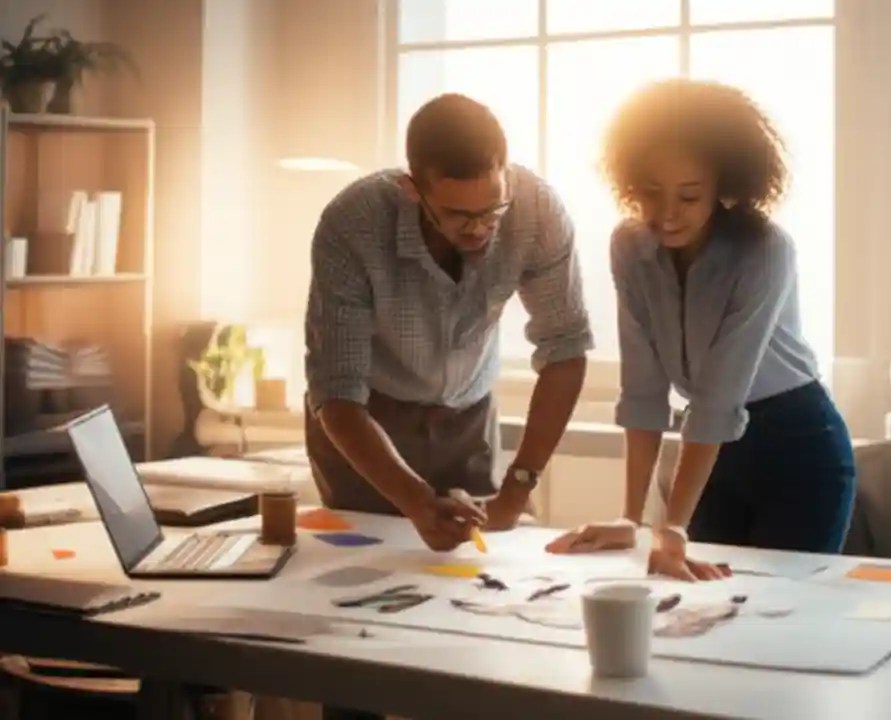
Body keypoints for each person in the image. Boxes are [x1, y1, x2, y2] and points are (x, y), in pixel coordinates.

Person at [547, 79, 857, 580]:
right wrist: (632, 518)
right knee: (697, 603)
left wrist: (670, 528)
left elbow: (719, 398)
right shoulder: (630, 246)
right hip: (711, 450)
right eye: (651, 193)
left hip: (798, 446)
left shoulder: (766, 250)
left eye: (689, 197)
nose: (666, 214)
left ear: (724, 191)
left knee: (780, 612)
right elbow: (644, 390)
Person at [305, 93, 593, 553]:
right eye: (458, 215)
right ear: (412, 190)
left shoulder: (538, 212)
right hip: (368, 423)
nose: (479, 229)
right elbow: (336, 390)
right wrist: (416, 500)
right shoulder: (352, 224)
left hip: (468, 418)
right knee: (371, 569)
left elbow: (565, 350)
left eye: (492, 210)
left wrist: (517, 489)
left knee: (475, 567)